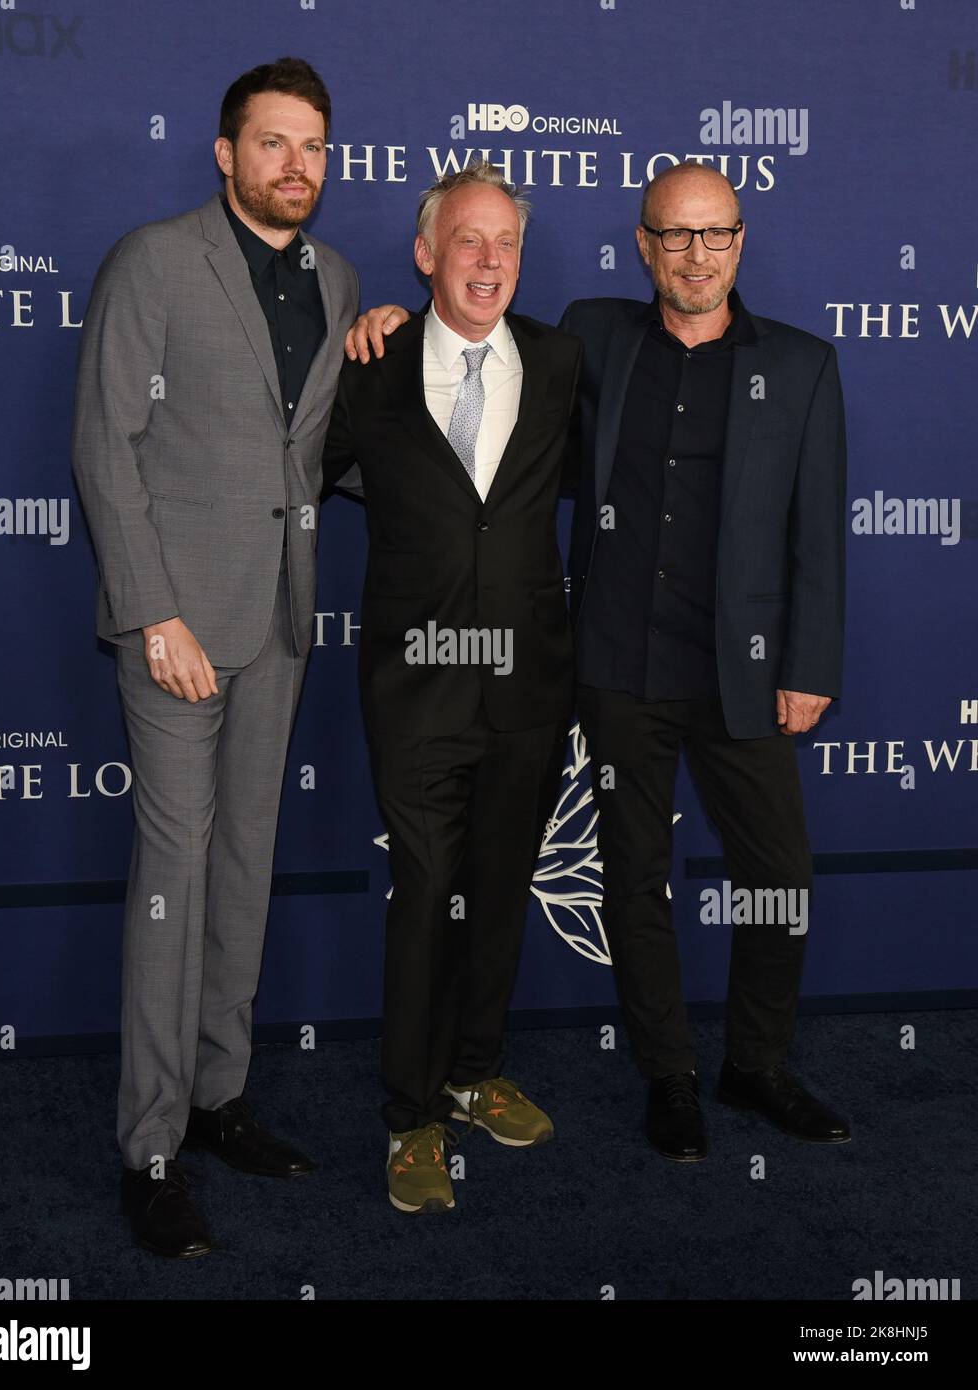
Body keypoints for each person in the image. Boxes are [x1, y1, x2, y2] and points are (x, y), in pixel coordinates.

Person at [347, 162, 849, 1164]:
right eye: (674, 235)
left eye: (714, 234)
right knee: (633, 880)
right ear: (642, 245)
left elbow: (818, 533)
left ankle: (755, 1064)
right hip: (617, 665)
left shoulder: (799, 366)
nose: (695, 255)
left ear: (739, 242)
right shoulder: (593, 339)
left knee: (779, 877)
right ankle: (668, 1076)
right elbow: (466, 360)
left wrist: (810, 663)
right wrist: (390, 326)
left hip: (744, 671)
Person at [71, 56, 359, 1257]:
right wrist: (155, 614)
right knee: (173, 882)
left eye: (314, 146)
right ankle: (149, 1150)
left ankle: (217, 1095)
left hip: (280, 619)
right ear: (226, 153)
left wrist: (388, 346)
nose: (296, 164)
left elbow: (316, 451)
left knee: (244, 867)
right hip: (177, 633)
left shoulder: (337, 280)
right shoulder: (154, 260)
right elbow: (106, 444)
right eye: (273, 142)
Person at [323, 161, 581, 1213]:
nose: (488, 260)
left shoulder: (560, 362)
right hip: (416, 687)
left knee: (501, 886)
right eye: (466, 240)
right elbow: (291, 478)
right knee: (427, 894)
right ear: (425, 254)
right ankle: (411, 1114)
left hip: (527, 686)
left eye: (505, 243)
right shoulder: (370, 367)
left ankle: (475, 1072)